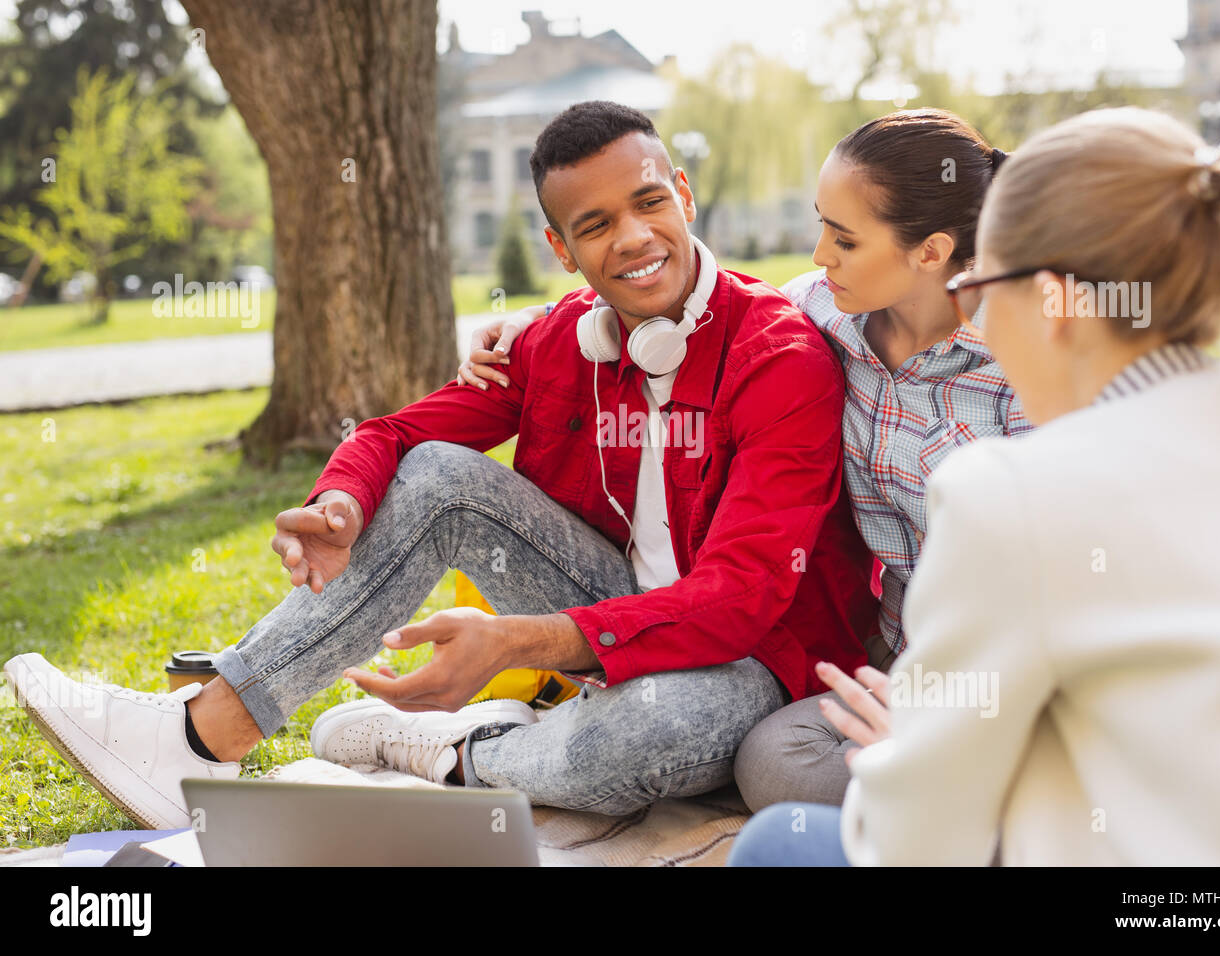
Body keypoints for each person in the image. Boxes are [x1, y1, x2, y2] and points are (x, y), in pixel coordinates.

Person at [3, 101, 878, 830]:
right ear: (561, 249)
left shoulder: (778, 357)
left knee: (652, 741)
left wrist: (523, 640)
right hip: (609, 602)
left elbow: (742, 596)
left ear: (684, 194)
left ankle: (447, 749)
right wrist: (342, 500)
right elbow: (393, 436)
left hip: (757, 656)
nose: (636, 237)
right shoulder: (550, 343)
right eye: (596, 225)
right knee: (435, 477)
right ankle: (199, 737)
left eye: (650, 202)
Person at [730, 105, 1220, 865]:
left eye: (985, 288)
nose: (980, 322)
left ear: (1055, 299)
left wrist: (923, 746)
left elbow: (912, 843)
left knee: (776, 843)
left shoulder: (1012, 493)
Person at [463, 109, 1030, 812]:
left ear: (930, 251)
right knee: (772, 762)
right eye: (822, 224)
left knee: (775, 772)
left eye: (844, 238)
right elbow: (679, 297)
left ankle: (1007, 794)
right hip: (896, 649)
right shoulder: (821, 311)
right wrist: (527, 328)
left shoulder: (1021, 370)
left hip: (1007, 663)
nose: (820, 253)